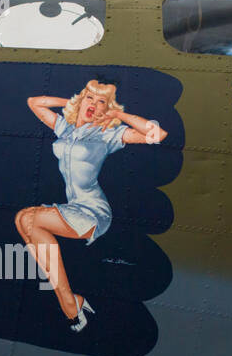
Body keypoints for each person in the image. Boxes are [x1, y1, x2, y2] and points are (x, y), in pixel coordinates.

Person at [15, 80, 166, 332]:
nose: (94, 106)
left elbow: (157, 135)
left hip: (93, 211)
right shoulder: (65, 129)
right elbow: (34, 103)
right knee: (24, 220)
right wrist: (70, 102)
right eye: (89, 99)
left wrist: (117, 114)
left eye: (101, 102)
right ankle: (70, 301)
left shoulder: (107, 135)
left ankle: (69, 303)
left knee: (29, 220)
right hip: (74, 206)